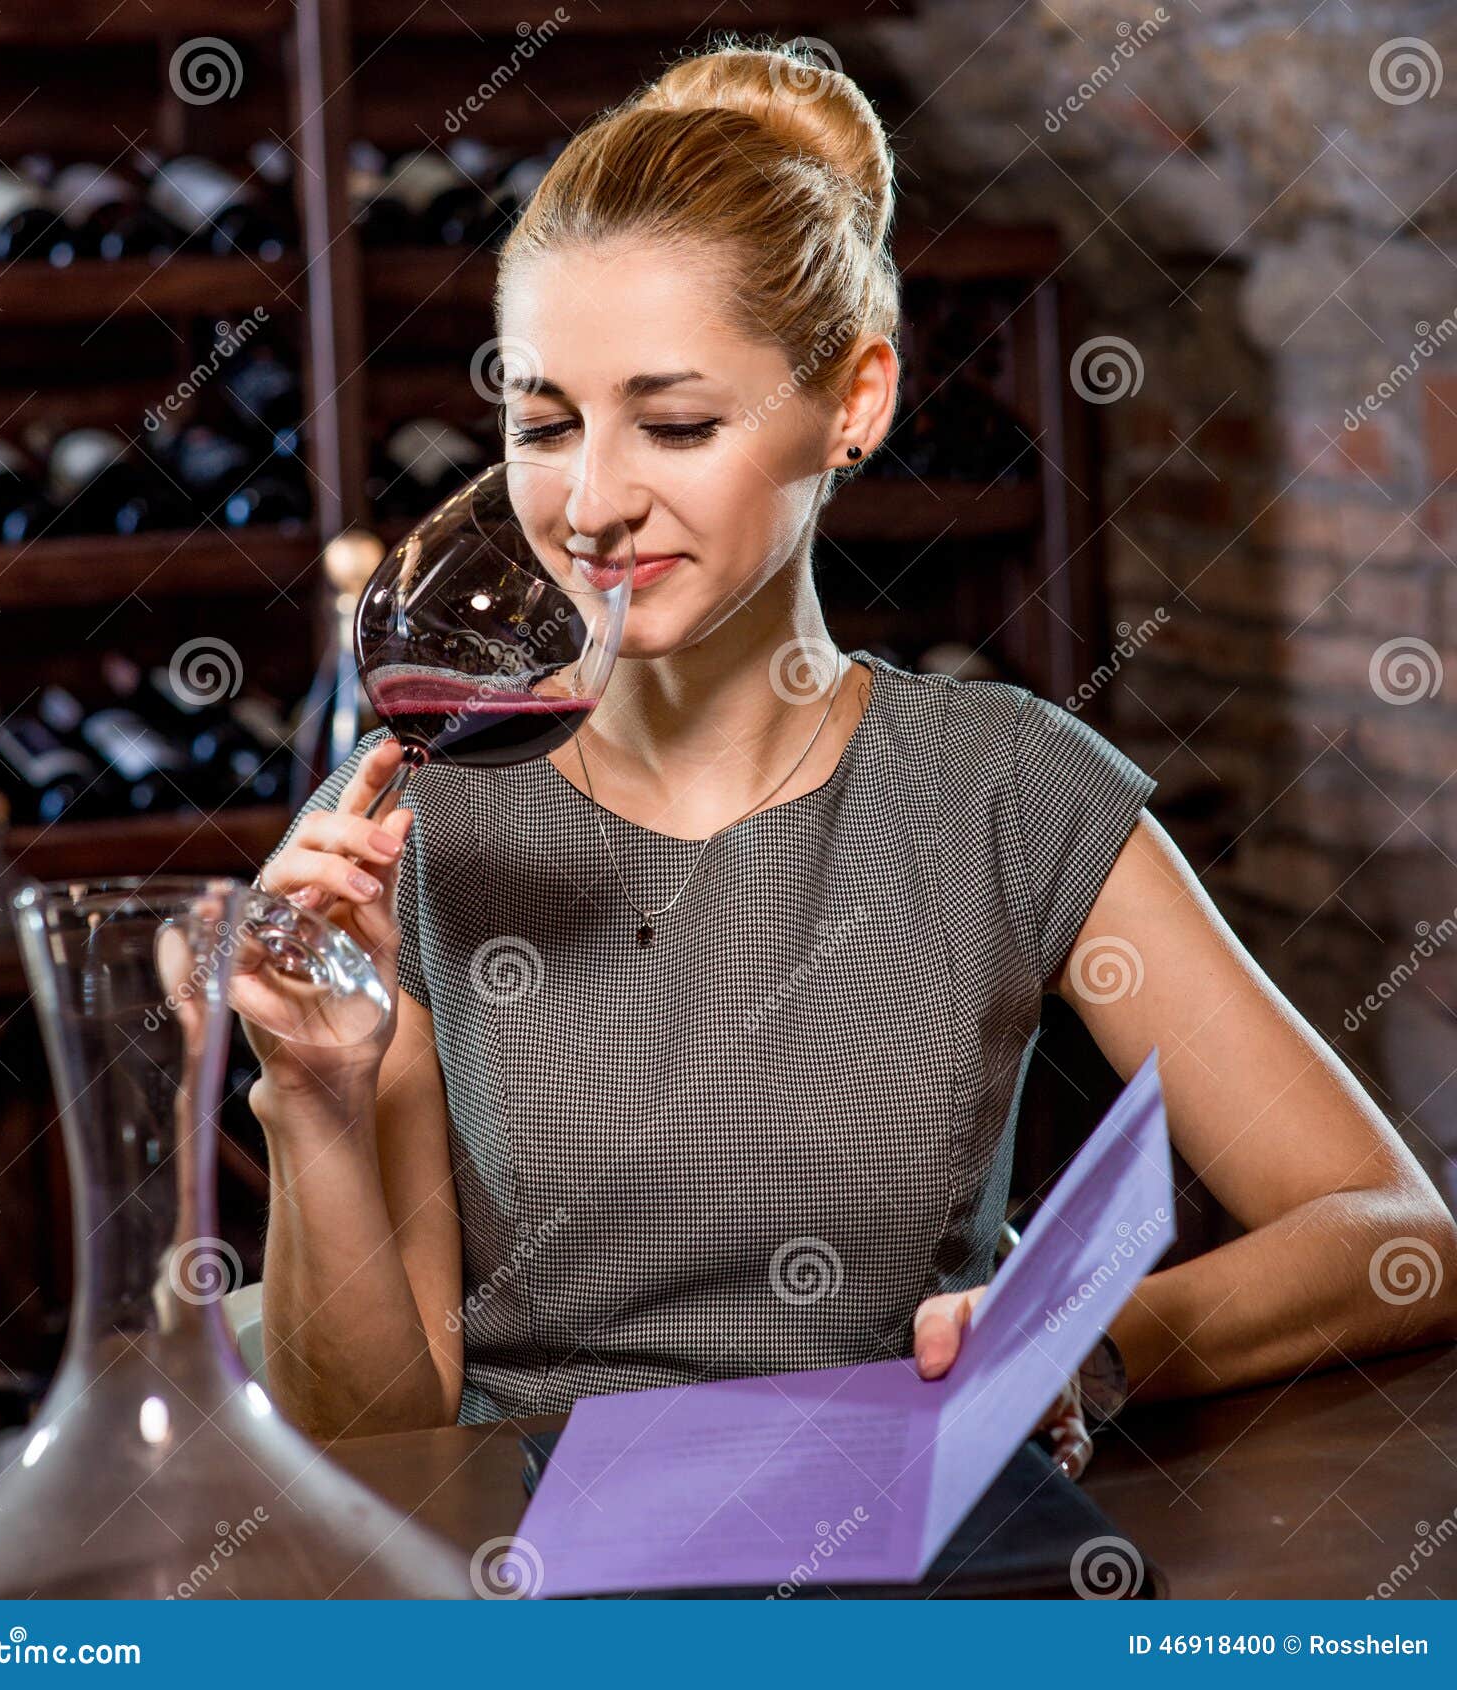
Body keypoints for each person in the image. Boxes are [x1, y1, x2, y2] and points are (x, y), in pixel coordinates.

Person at [250, 42, 1457, 1471]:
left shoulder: (1003, 788)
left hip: (911, 1577)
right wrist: (311, 1105)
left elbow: (1396, 1236)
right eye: (545, 424)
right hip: (536, 1597)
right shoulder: (412, 827)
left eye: (678, 422)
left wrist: (1086, 1338)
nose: (591, 504)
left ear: (856, 403)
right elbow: (374, 1437)